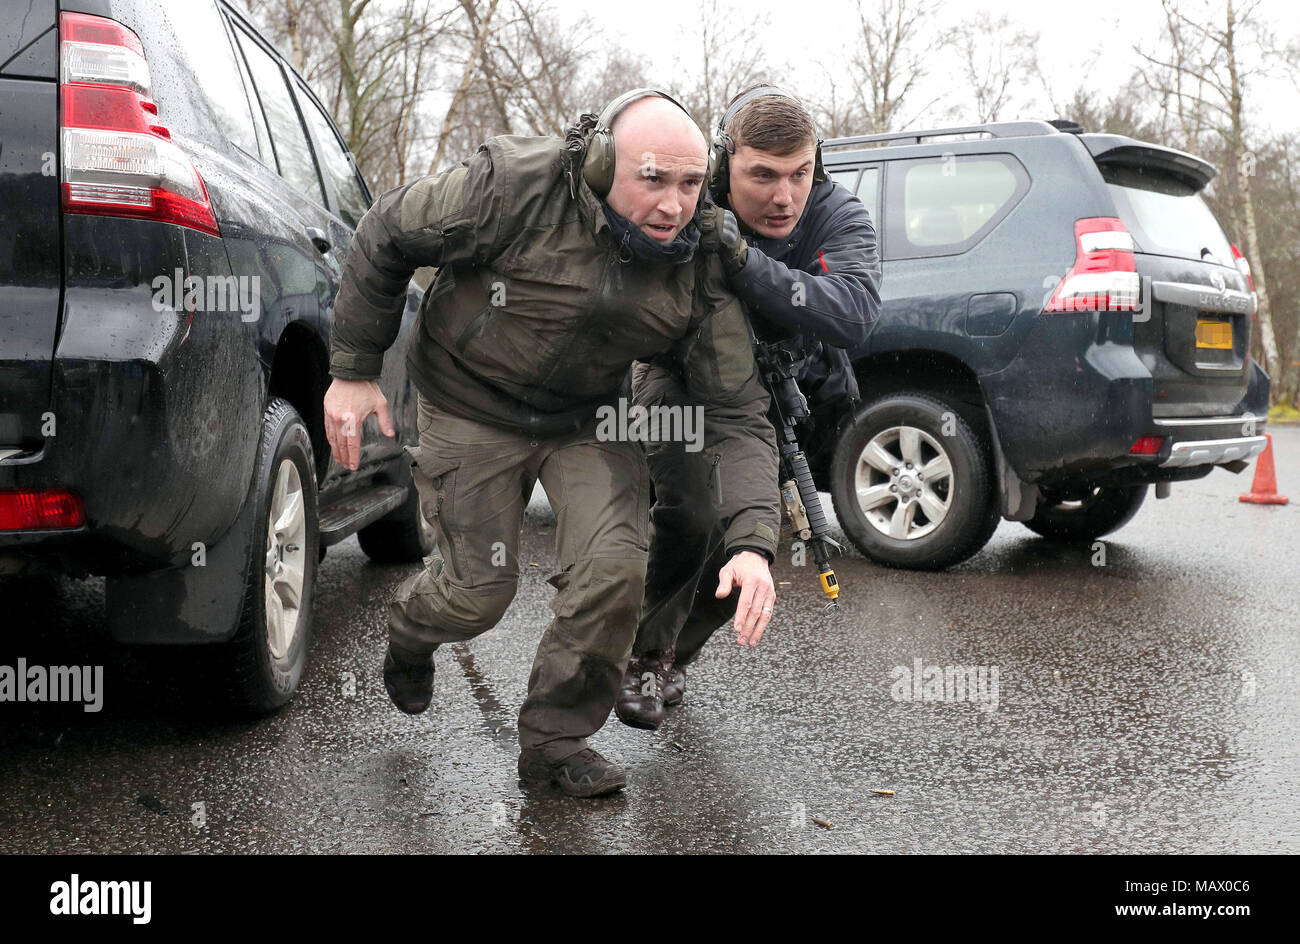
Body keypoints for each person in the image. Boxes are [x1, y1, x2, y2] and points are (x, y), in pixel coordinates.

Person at [323, 89, 781, 797]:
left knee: (615, 572)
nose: (673, 204)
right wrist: (352, 370)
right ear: (600, 165)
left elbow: (736, 409)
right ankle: (413, 631)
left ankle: (555, 742)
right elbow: (388, 231)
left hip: (586, 419)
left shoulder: (700, 259)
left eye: (691, 184)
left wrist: (752, 540)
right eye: (653, 178)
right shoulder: (511, 186)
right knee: (478, 594)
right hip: (469, 399)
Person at [617, 85, 883, 730]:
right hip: (680, 378)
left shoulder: (838, 216)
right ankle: (643, 655)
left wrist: (745, 263)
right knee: (696, 511)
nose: (784, 195)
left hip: (788, 393)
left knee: (750, 546)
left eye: (800, 173)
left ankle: (676, 653)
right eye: (762, 175)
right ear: (723, 163)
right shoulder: (689, 201)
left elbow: (853, 316)